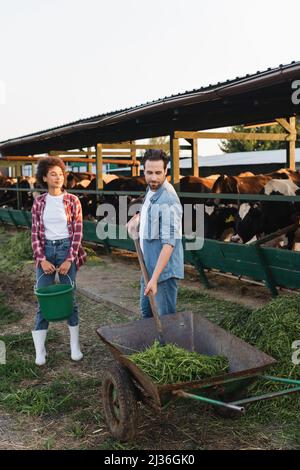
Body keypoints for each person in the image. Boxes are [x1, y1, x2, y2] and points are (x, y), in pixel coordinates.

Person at [31, 156, 87, 365]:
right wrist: (41, 259)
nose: (58, 177)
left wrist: (69, 258)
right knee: (43, 298)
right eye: (53, 174)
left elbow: (78, 233)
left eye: (61, 174)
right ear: (45, 177)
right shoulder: (39, 202)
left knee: (70, 298)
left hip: (66, 249)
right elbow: (35, 233)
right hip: (45, 251)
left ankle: (75, 347)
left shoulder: (73, 200)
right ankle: (40, 351)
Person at [127, 149, 184, 318]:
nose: (153, 178)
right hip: (149, 266)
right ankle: (153, 344)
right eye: (149, 172)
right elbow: (149, 210)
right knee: (147, 314)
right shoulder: (151, 190)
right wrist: (136, 219)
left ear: (166, 171)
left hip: (162, 273)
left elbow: (169, 244)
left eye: (158, 173)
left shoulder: (168, 200)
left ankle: (167, 344)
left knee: (164, 319)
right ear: (143, 171)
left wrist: (155, 279)